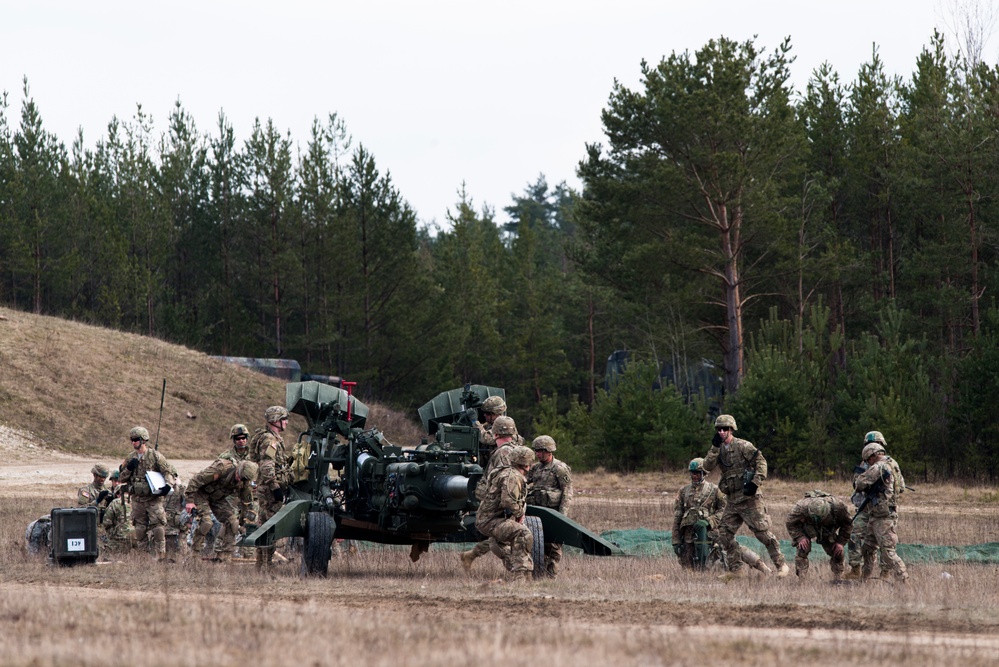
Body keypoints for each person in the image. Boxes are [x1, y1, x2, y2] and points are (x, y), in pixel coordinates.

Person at [702, 414, 790, 579]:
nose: (722, 432)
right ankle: (736, 571)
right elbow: (706, 466)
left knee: (763, 533)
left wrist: (755, 483)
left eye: (725, 429)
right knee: (724, 536)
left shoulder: (743, 446)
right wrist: (714, 448)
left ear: (731, 430)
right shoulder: (717, 449)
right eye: (719, 429)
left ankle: (781, 565)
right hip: (733, 500)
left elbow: (761, 462)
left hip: (750, 499)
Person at [671, 458, 772, 574]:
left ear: (704, 473)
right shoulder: (683, 491)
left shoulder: (714, 490)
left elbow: (724, 510)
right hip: (689, 537)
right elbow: (677, 518)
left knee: (734, 548)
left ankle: (762, 567)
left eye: (697, 473)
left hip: (712, 532)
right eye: (692, 473)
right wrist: (676, 541)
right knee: (690, 570)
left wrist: (710, 521)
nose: (695, 476)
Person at [461, 415, 520, 571]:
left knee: (499, 538)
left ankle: (517, 570)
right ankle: (518, 571)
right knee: (499, 538)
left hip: (501, 500)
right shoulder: (512, 448)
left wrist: (475, 422)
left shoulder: (503, 452)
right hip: (505, 500)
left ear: (496, 434)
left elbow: (505, 479)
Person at [846, 430, 906, 579]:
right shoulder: (865, 463)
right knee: (859, 539)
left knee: (886, 545)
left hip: (884, 509)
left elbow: (901, 486)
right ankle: (857, 571)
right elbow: (857, 483)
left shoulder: (888, 464)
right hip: (866, 508)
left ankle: (886, 573)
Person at [474, 445, 536, 582]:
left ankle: (526, 577)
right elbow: (508, 501)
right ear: (526, 464)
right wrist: (520, 514)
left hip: (488, 519)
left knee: (500, 544)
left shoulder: (505, 472)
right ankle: (519, 577)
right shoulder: (513, 476)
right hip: (491, 520)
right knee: (523, 534)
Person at [118, 426, 177, 561]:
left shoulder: (155, 456)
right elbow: (121, 478)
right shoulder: (130, 457)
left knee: (158, 527)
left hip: (153, 499)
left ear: (143, 440)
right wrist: (129, 468)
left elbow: (168, 471)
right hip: (137, 499)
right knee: (139, 528)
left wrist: (168, 485)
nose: (133, 443)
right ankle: (143, 556)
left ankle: (161, 555)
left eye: (136, 440)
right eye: (131, 440)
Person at [187, 459, 259, 562]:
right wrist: (189, 500)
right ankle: (194, 554)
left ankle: (225, 556)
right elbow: (196, 480)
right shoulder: (221, 469)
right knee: (206, 523)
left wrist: (243, 522)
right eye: (240, 477)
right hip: (201, 495)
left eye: (244, 479)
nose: (240, 480)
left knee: (233, 522)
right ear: (238, 469)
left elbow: (246, 504)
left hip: (217, 499)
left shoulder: (244, 483)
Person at [251, 406, 292, 568]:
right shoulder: (270, 440)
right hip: (269, 490)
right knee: (270, 526)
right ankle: (265, 564)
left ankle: (261, 564)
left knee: (263, 525)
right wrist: (275, 488)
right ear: (276, 420)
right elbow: (267, 466)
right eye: (284, 419)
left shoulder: (270, 438)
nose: (287, 422)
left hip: (265, 488)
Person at [525, 435, 573, 577]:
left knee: (553, 546)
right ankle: (537, 574)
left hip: (553, 513)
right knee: (536, 545)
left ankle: (550, 576)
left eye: (540, 451)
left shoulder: (560, 468)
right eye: (536, 451)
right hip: (536, 514)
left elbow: (567, 492)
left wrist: (562, 516)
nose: (537, 454)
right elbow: (524, 481)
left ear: (548, 451)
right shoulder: (535, 468)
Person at [785, 491, 852, 581]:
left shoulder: (839, 507)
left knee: (837, 551)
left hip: (827, 530)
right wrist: (800, 537)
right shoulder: (801, 507)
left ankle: (838, 578)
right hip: (809, 527)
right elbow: (790, 523)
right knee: (802, 548)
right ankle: (801, 579)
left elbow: (848, 524)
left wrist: (840, 542)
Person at [101, 483, 133, 557]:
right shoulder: (137, 502)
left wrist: (112, 534)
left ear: (118, 494)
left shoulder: (115, 502)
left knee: (106, 554)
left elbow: (106, 522)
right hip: (138, 538)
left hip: (120, 538)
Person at [475, 395, 507, 468]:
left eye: (488, 413)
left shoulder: (503, 424)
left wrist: (475, 422)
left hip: (499, 465)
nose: (484, 415)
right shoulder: (489, 425)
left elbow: (487, 439)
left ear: (496, 413)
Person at [163, 476, 188, 556]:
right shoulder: (161, 486)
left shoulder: (180, 488)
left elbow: (188, 499)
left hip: (177, 523)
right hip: (164, 522)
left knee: (180, 549)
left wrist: (180, 486)